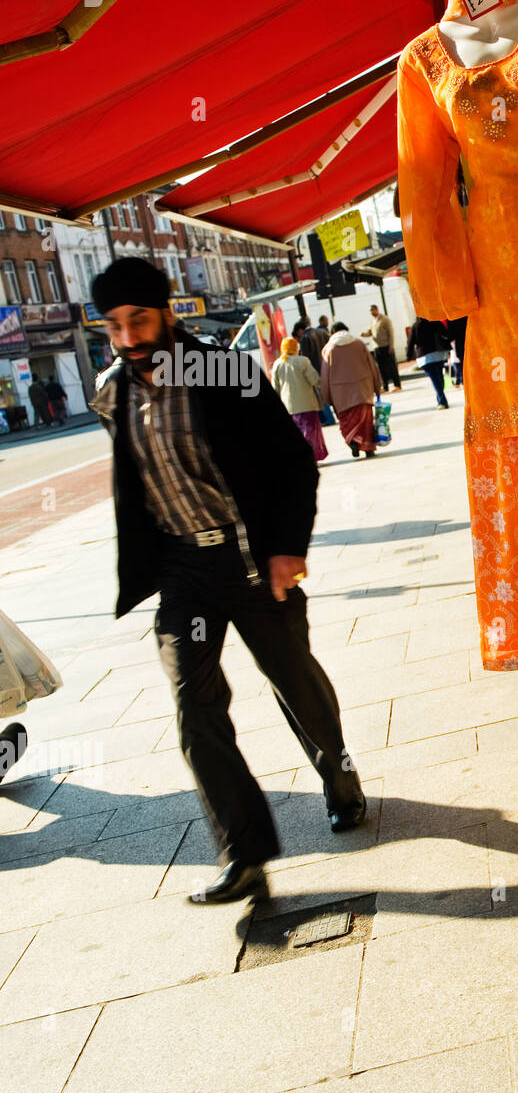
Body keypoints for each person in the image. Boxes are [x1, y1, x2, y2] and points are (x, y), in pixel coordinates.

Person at [87, 257, 366, 907]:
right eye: (114, 327)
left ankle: (340, 778)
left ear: (166, 313)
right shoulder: (112, 391)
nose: (128, 339)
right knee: (195, 708)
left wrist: (285, 550)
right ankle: (244, 855)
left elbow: (293, 464)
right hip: (185, 574)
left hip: (249, 559)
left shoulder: (222, 371)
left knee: (295, 682)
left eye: (139, 320)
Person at [319, 321, 383, 456]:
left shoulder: (328, 349)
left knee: (347, 422)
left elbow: (325, 376)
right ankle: (369, 448)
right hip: (363, 389)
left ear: (332, 333)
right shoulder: (359, 344)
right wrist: (377, 386)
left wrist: (327, 397)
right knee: (366, 421)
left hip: (340, 394)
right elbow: (372, 366)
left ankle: (353, 440)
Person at [271, 335, 328, 462]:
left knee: (297, 435)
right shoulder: (303, 361)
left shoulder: (277, 364)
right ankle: (312, 456)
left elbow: (275, 388)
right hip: (307, 404)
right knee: (310, 433)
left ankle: (303, 458)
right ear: (296, 347)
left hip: (289, 407)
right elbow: (314, 380)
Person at [408, 315, 452, 409]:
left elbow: (411, 342)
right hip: (438, 355)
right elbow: (447, 334)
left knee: (435, 380)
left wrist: (409, 355)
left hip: (425, 357)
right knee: (439, 378)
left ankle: (442, 401)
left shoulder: (416, 326)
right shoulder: (435, 322)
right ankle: (441, 399)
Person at [367, 303, 402, 392]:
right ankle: (385, 386)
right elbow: (370, 332)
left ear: (376, 309)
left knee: (391, 366)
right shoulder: (372, 321)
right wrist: (365, 334)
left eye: (372, 310)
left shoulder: (384, 319)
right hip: (377, 347)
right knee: (381, 368)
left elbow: (391, 333)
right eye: (370, 311)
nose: (371, 312)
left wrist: (391, 345)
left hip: (386, 345)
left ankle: (397, 385)